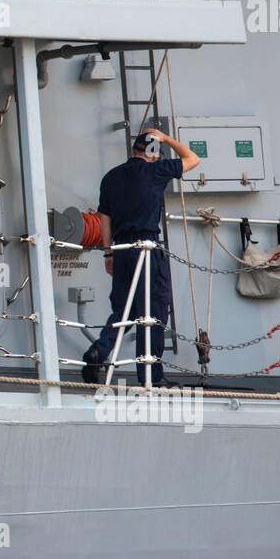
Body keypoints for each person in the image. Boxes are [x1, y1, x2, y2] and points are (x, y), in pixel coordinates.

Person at [82, 127, 201, 385]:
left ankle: (99, 351)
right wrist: (166, 137)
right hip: (146, 249)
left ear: (135, 149)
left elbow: (105, 218)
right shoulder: (157, 171)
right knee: (153, 312)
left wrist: (108, 253)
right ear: (153, 153)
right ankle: (151, 377)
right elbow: (193, 159)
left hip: (121, 250)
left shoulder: (111, 177)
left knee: (123, 310)